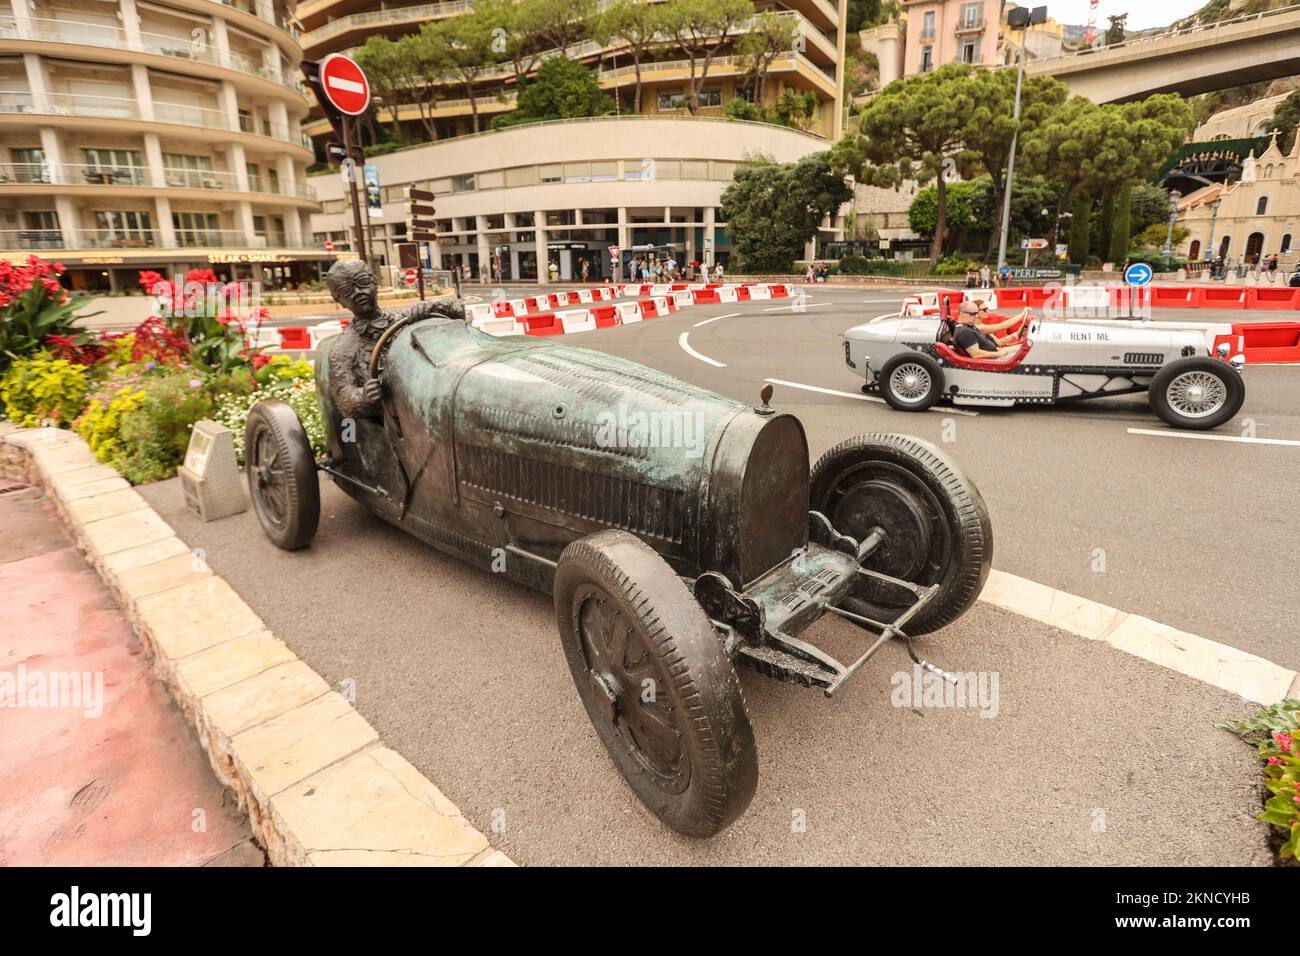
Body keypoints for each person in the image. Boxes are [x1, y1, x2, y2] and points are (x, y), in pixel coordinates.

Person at [324, 259, 462, 422]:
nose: (358, 292)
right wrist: (364, 396)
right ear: (338, 300)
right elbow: (344, 397)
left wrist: (433, 307)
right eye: (346, 290)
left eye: (362, 282)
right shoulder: (343, 349)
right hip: (391, 424)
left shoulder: (405, 318)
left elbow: (459, 311)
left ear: (374, 283)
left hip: (431, 403)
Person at [952, 299, 1022, 360]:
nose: (976, 316)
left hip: (996, 352)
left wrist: (999, 350)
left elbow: (997, 343)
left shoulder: (970, 326)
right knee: (1025, 354)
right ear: (962, 314)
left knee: (1024, 349)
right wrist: (999, 354)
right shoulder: (965, 332)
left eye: (976, 313)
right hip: (994, 360)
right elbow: (977, 355)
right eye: (973, 314)